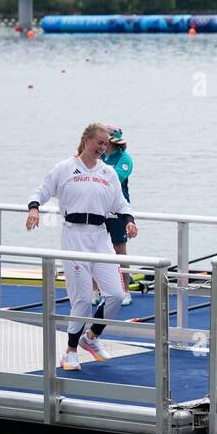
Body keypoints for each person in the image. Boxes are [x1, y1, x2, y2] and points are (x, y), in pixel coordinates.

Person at [26, 122, 136, 372]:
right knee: (83, 299)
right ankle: (71, 351)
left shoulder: (108, 172)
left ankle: (92, 337)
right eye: (99, 143)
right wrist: (34, 208)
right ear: (86, 140)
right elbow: (41, 192)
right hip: (74, 236)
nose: (102, 148)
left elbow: (121, 204)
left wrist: (129, 221)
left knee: (116, 295)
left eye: (105, 144)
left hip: (100, 237)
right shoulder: (65, 168)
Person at [102, 127, 136, 305]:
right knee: (95, 250)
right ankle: (96, 291)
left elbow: (114, 181)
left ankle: (125, 291)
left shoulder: (124, 158)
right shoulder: (98, 156)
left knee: (119, 250)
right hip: (99, 208)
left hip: (118, 210)